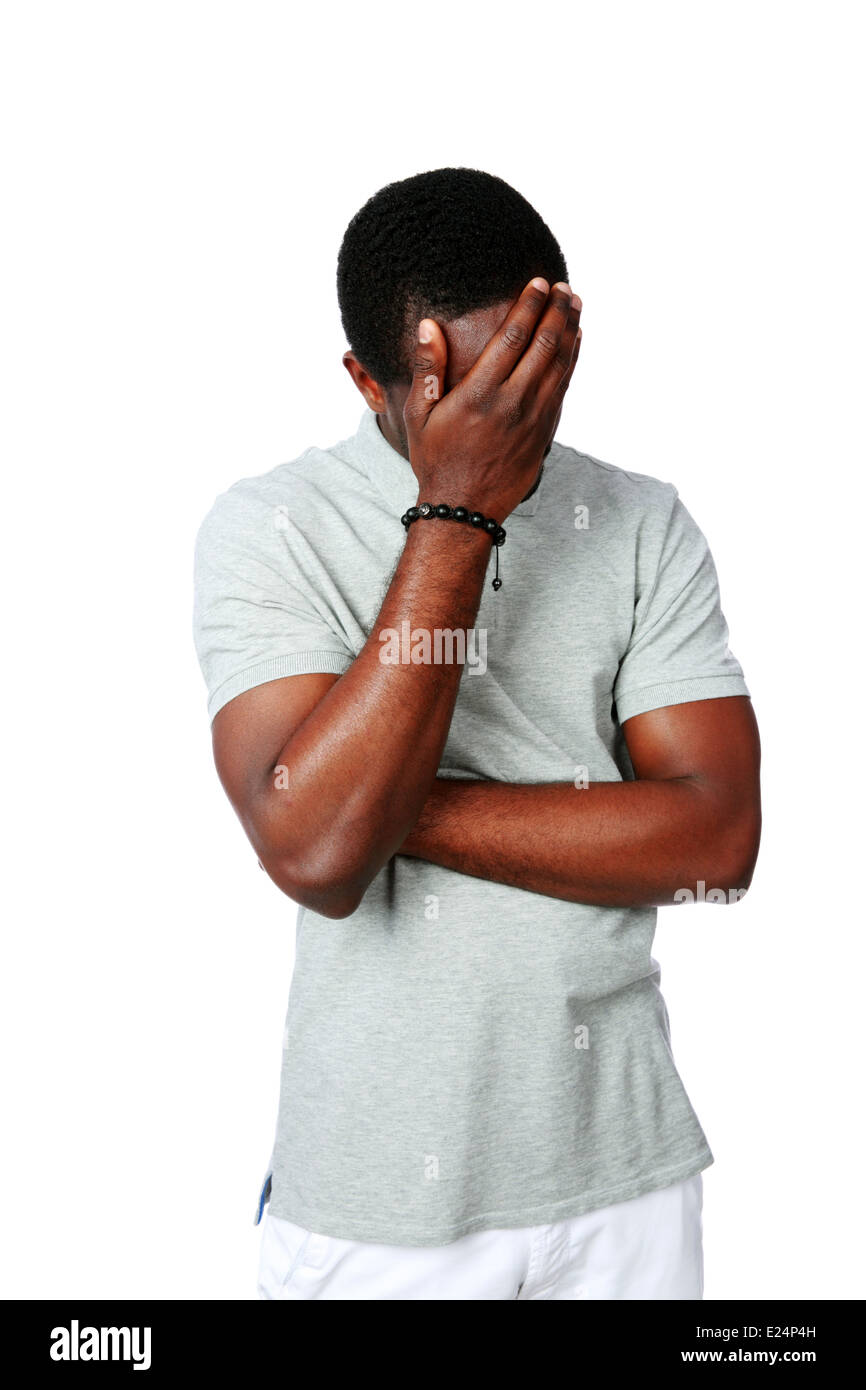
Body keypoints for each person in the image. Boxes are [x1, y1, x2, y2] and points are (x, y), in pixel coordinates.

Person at [192, 167, 761, 1300]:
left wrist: (375, 803)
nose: (502, 419)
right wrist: (458, 510)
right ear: (366, 380)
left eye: (530, 376)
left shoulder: (642, 522)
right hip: (376, 1202)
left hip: (624, 1180)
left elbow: (711, 844)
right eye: (458, 392)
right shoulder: (270, 527)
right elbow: (315, 860)